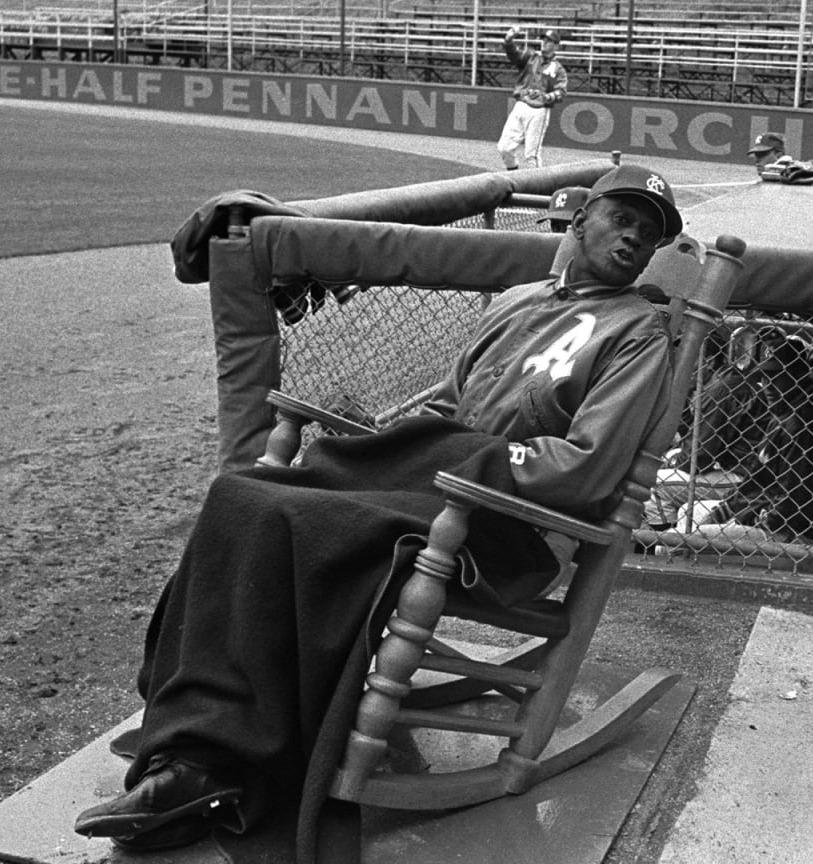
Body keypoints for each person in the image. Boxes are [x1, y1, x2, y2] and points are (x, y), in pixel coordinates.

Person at [73, 164, 686, 853]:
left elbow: (586, 470)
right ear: (581, 219)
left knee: (309, 523)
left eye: (651, 231)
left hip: (509, 523)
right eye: (622, 218)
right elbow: (452, 409)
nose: (635, 236)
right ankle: (195, 728)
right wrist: (406, 441)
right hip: (440, 488)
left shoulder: (638, 333)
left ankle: (215, 764)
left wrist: (468, 461)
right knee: (242, 496)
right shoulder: (517, 299)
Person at [496, 27, 568, 170]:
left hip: (539, 110)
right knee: (504, 148)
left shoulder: (558, 69)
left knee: (531, 155)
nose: (545, 43)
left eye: (549, 41)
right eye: (544, 40)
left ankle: (537, 189)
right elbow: (513, 55)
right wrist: (508, 40)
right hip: (521, 104)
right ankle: (515, 176)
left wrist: (547, 96)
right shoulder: (531, 57)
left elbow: (561, 91)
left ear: (556, 46)